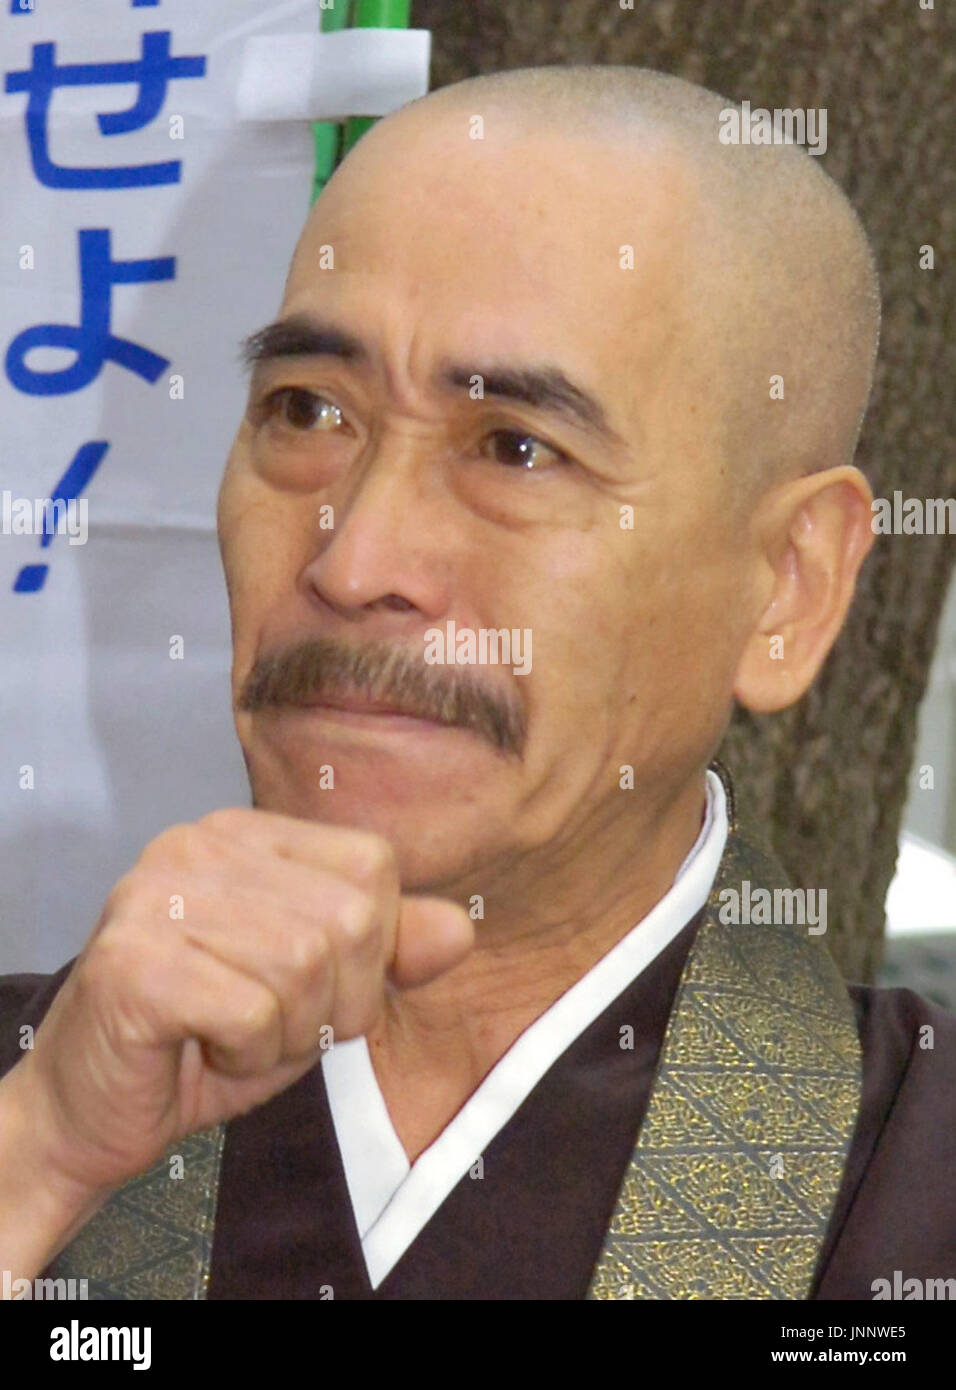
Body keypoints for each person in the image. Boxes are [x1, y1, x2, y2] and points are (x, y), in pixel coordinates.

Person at [1, 64, 953, 1302]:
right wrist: (37, 1161)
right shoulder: (36, 1097)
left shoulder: (915, 1187)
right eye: (305, 410)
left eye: (516, 448)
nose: (354, 562)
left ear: (785, 585)